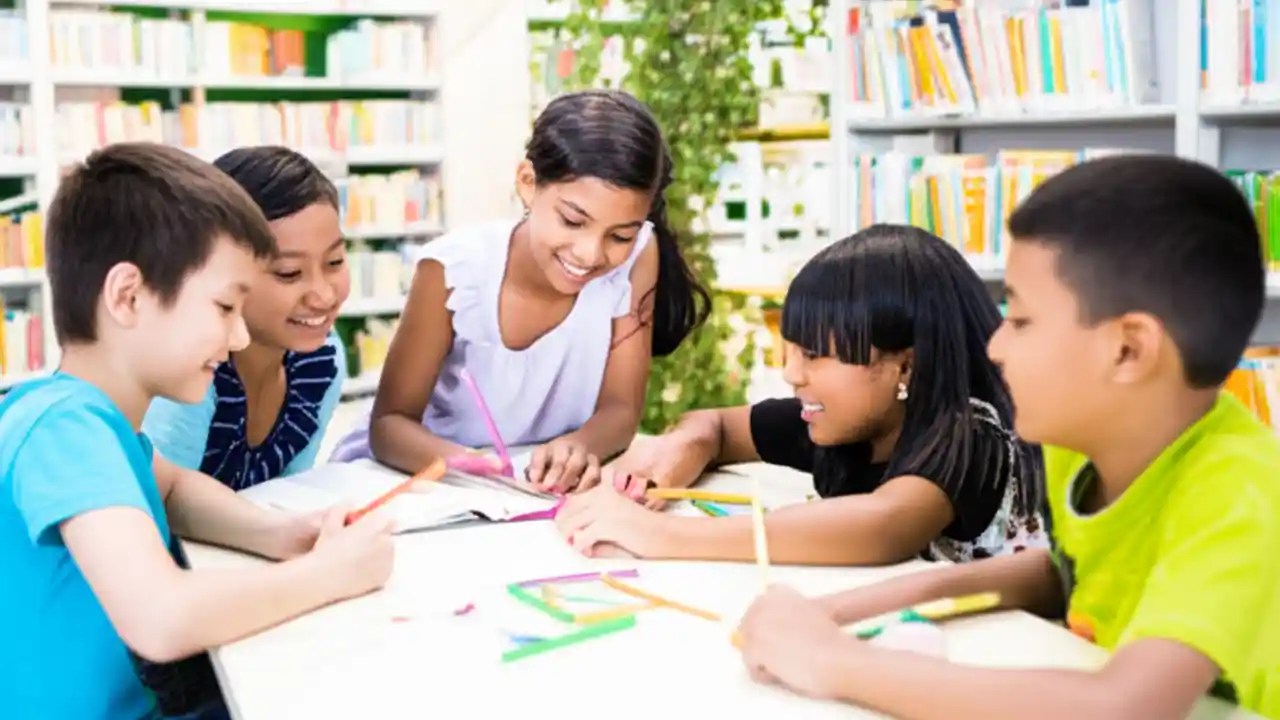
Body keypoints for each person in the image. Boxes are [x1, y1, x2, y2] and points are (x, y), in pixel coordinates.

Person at [735, 155, 1280, 719]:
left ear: (1127, 350)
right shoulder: (1086, 446)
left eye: (1020, 320)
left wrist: (832, 663)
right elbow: (1061, 573)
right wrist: (837, 612)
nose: (994, 347)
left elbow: (1122, 708)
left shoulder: (1240, 493)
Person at [0, 143, 394, 719]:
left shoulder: (101, 426)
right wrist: (328, 574)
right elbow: (161, 618)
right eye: (223, 308)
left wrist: (280, 536)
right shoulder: (64, 429)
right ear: (128, 297)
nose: (238, 339)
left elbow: (174, 488)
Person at [556, 224, 1045, 565]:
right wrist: (677, 451)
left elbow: (882, 528)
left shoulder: (972, 434)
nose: (791, 373)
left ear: (905, 364)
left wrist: (660, 535)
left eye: (814, 354)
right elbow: (719, 426)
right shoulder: (848, 422)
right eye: (790, 350)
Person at [330, 90, 709, 493]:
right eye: (572, 220)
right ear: (528, 183)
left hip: (527, 492)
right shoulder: (454, 271)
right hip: (416, 482)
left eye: (619, 235)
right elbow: (389, 426)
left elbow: (620, 410)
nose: (590, 253)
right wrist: (469, 464)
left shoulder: (638, 254)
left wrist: (578, 446)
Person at [143, 146, 349, 490]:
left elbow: (288, 495)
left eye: (335, 262)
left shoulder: (322, 359)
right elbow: (159, 506)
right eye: (289, 273)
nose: (323, 296)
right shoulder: (187, 370)